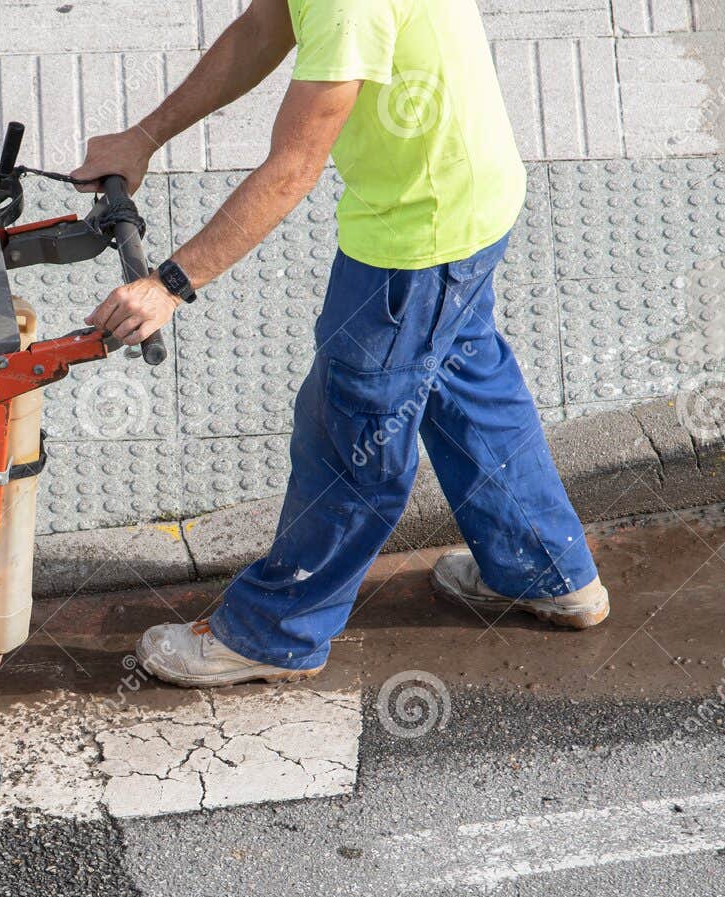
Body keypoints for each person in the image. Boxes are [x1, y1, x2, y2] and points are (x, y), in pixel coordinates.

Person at [72, 0, 609, 689]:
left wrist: (170, 284)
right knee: (464, 382)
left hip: (417, 239)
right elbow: (265, 26)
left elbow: (294, 167)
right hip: (470, 198)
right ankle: (547, 568)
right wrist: (143, 136)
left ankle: (277, 631)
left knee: (352, 428)